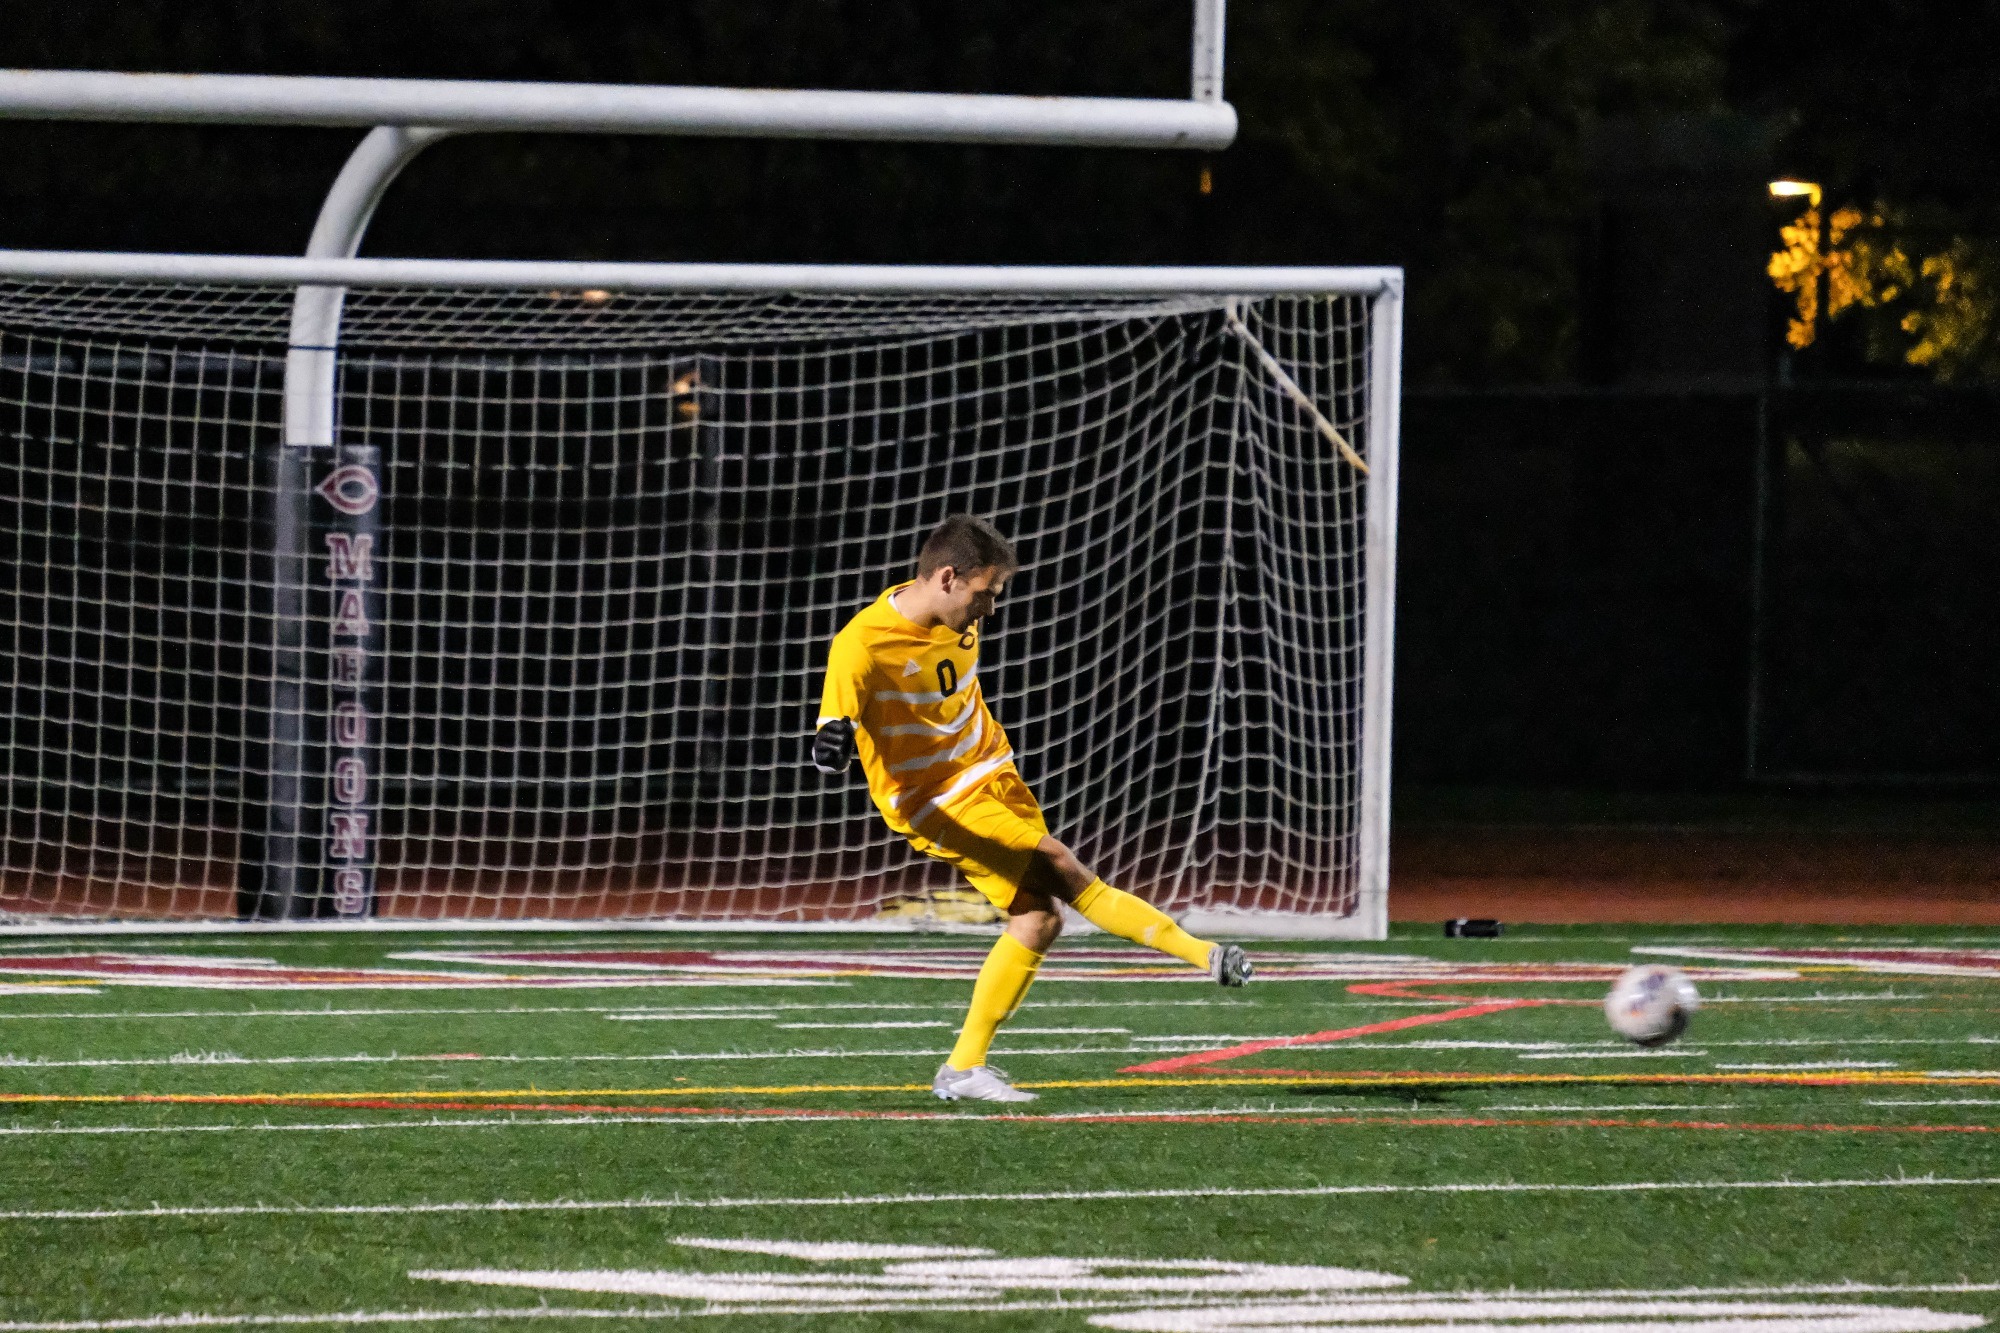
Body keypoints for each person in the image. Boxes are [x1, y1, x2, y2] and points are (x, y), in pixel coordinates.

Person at [812, 513, 1251, 1104]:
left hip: (993, 772)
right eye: (985, 593)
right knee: (1061, 864)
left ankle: (963, 1068)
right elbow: (831, 730)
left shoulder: (955, 615)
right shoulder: (861, 644)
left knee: (1038, 918)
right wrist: (831, 745)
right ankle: (1207, 955)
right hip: (938, 802)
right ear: (947, 578)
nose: (990, 609)